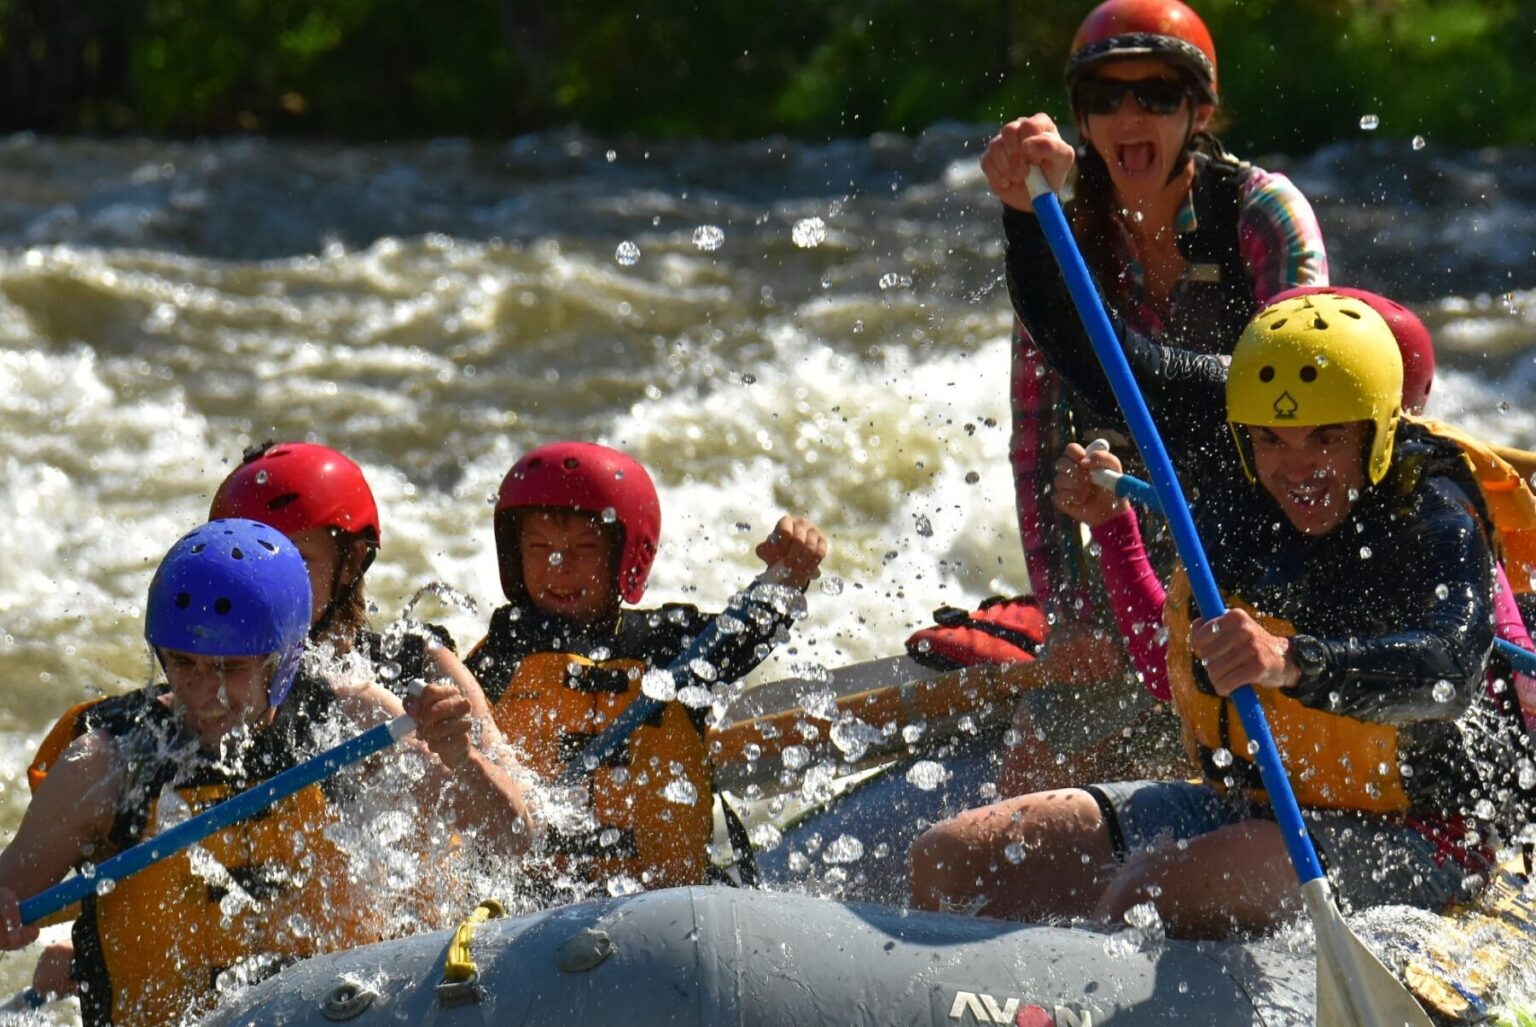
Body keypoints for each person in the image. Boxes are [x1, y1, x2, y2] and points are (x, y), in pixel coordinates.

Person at [909, 293, 1533, 935]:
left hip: (1413, 839)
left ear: (1375, 433)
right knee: (951, 861)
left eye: (1326, 437)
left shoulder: (1433, 524)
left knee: (1143, 897)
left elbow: (1449, 673)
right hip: (1246, 807)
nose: (1297, 467)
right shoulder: (1247, 502)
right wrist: (1115, 528)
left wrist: (1293, 662)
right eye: (1272, 439)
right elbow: (1167, 675)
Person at [977, 0, 1331, 796]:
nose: (1129, 116)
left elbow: (1312, 398)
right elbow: (1036, 440)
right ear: (1081, 120)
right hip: (1126, 543)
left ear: (1199, 112)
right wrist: (1068, 616)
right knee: (1026, 774)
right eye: (1106, 97)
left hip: (1264, 544)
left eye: (1158, 95)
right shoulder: (1057, 227)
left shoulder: (1264, 213)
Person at [23, 441, 512, 1001]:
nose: (260, 572)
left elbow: (510, 834)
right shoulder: (124, 746)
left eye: (292, 556)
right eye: (186, 664)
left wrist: (461, 758)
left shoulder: (370, 701)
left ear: (352, 562)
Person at [464, 441, 827, 899]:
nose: (559, 565)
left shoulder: (669, 644)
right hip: (531, 904)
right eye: (539, 547)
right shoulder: (500, 654)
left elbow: (746, 635)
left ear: (627, 554)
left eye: (584, 547)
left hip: (665, 903)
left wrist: (788, 573)